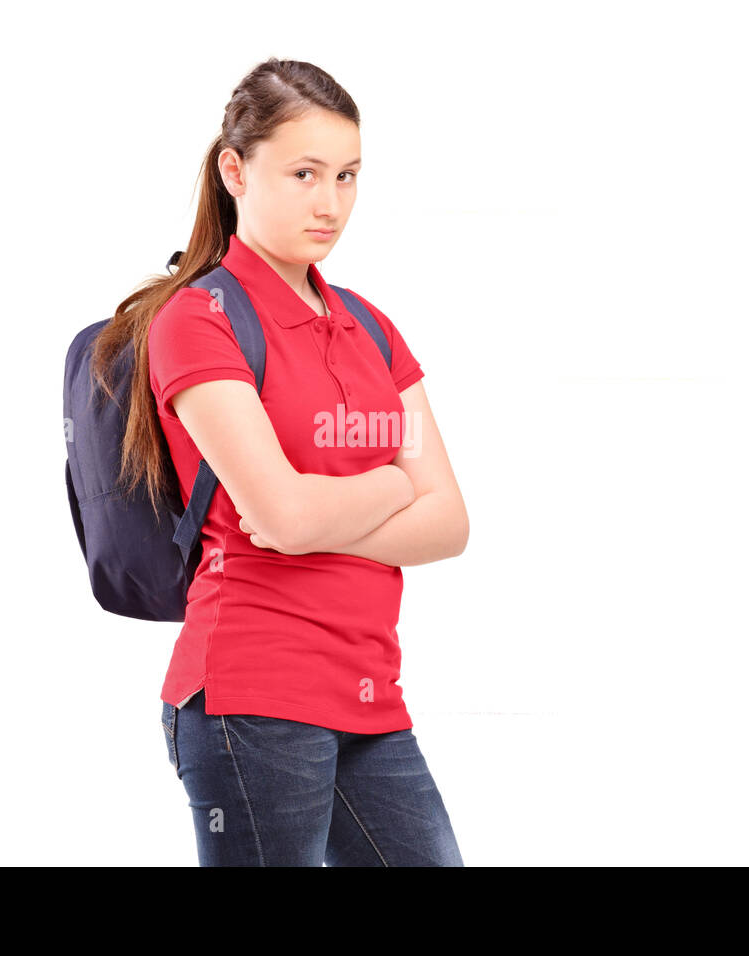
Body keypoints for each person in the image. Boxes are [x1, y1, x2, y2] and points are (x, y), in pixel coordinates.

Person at [92, 58, 468, 866]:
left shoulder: (370, 325)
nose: (329, 202)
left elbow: (449, 523)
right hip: (251, 696)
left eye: (347, 175)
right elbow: (284, 518)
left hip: (371, 695)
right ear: (235, 169)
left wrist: (317, 516)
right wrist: (398, 481)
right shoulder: (199, 320)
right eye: (302, 173)